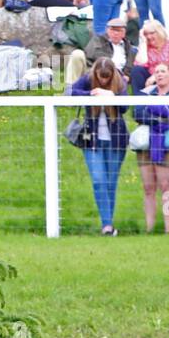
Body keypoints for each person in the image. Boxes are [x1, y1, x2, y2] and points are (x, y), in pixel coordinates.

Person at [68, 57, 130, 235]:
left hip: (116, 140)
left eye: (107, 77)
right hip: (91, 140)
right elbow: (70, 91)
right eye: (100, 77)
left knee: (111, 182)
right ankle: (107, 225)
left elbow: (126, 107)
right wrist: (90, 95)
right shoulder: (88, 80)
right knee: (98, 180)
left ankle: (108, 224)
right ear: (95, 73)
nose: (103, 81)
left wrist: (113, 97)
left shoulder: (119, 82)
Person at [133, 62, 169, 234]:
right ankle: (149, 228)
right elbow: (137, 113)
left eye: (163, 71)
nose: (159, 74)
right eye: (156, 72)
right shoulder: (146, 92)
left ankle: (168, 228)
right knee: (148, 187)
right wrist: (158, 118)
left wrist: (151, 112)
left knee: (166, 185)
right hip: (145, 143)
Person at [131, 21, 169, 94]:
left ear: (160, 32)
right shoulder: (146, 47)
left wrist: (156, 76)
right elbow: (139, 64)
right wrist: (143, 42)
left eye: (152, 33)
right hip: (152, 80)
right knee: (137, 70)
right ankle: (140, 103)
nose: (149, 37)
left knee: (165, 77)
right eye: (146, 34)